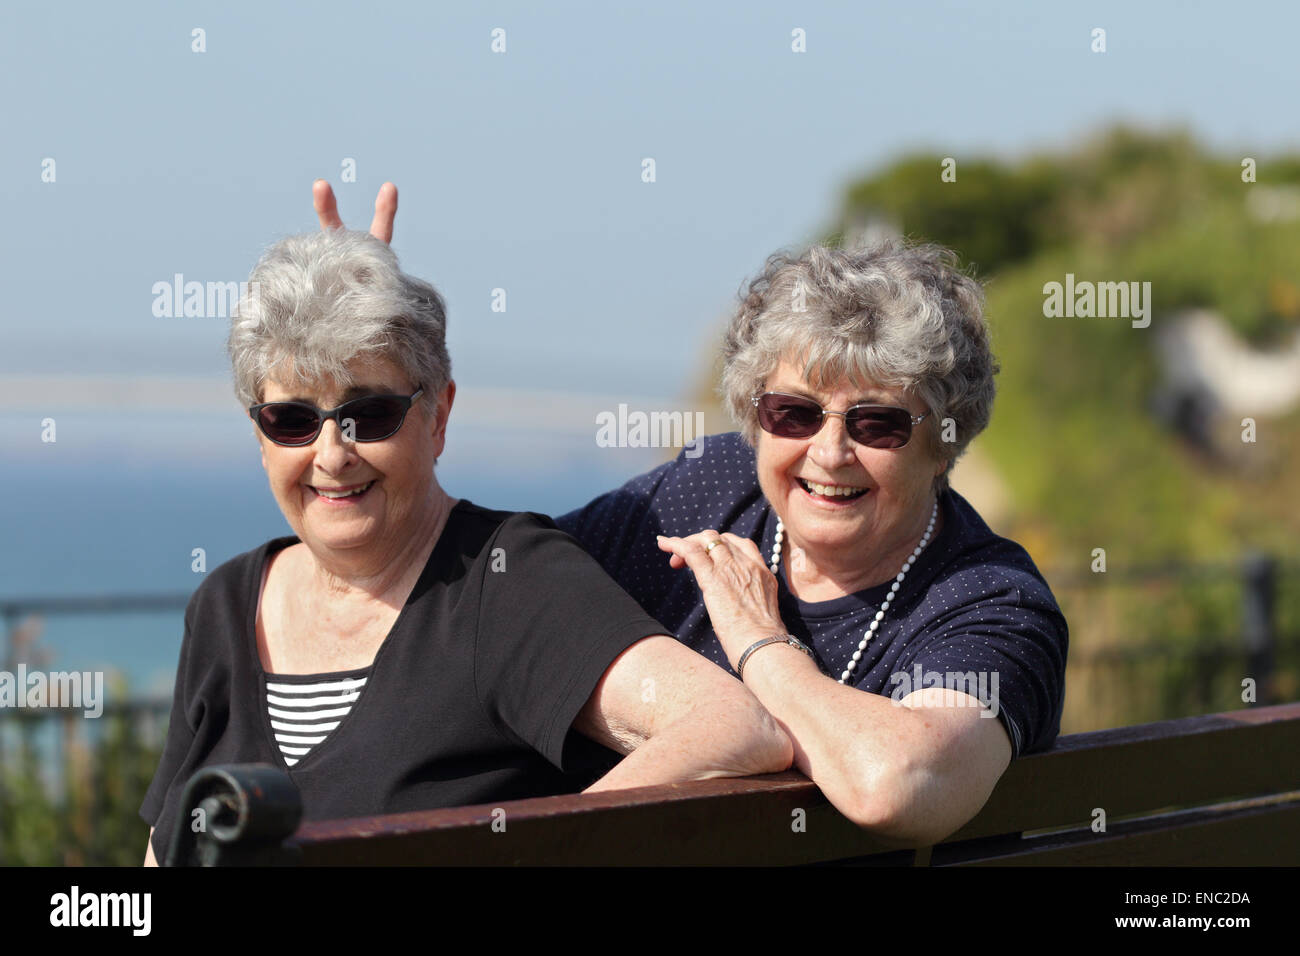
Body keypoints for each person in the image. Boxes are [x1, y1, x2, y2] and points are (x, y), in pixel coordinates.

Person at [313, 182, 1069, 846]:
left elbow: (895, 783)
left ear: (944, 441)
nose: (829, 452)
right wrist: (376, 370)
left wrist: (759, 643)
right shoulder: (712, 489)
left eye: (877, 424)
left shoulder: (987, 601)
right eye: (793, 412)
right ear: (754, 413)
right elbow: (500, 586)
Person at [140, 228, 792, 865]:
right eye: (293, 421)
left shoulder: (504, 580)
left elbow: (734, 725)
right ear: (259, 435)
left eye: (369, 415)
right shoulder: (225, 605)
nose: (332, 455)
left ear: (438, 415)